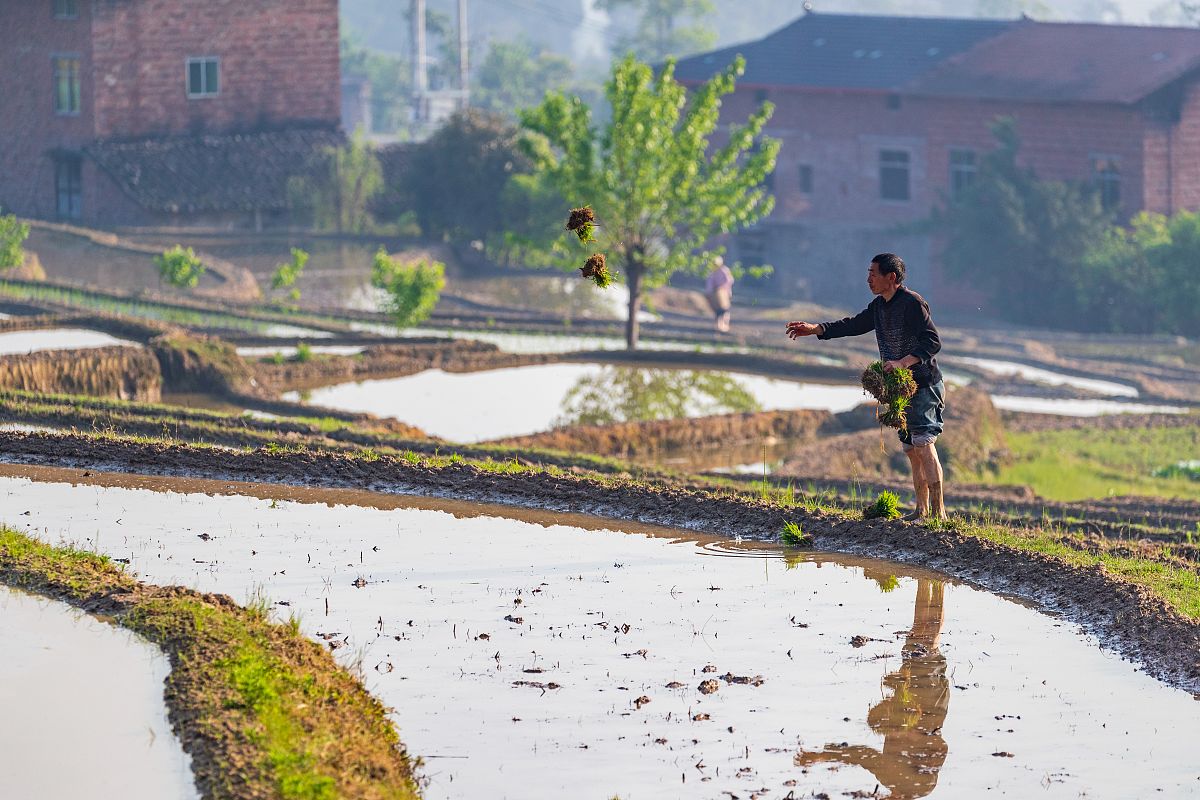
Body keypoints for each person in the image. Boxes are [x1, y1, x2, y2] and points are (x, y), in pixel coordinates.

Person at [786, 253, 946, 520]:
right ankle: (921, 510)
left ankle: (939, 513)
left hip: (923, 385)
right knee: (910, 449)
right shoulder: (879, 307)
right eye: (868, 272)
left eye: (873, 273)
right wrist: (817, 329)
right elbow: (853, 325)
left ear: (891, 277)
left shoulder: (912, 303)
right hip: (899, 390)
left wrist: (903, 362)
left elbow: (933, 342)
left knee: (923, 444)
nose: (868, 279)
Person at [705, 256, 734, 333]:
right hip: (716, 295)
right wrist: (709, 292)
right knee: (718, 311)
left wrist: (721, 288)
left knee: (725, 310)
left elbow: (729, 281)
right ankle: (719, 325)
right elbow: (709, 283)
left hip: (725, 294)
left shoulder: (724, 271)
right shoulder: (713, 273)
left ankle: (725, 325)